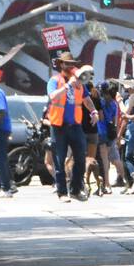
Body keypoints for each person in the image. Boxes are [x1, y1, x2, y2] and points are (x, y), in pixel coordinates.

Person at [46, 54, 98, 202]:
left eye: (72, 64)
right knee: (59, 160)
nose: (71, 67)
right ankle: (62, 192)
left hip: (75, 125)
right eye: (67, 64)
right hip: (59, 126)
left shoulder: (79, 83)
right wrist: (68, 85)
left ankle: (75, 190)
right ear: (61, 65)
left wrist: (93, 111)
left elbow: (86, 99)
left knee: (81, 158)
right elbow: (53, 96)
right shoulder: (54, 81)